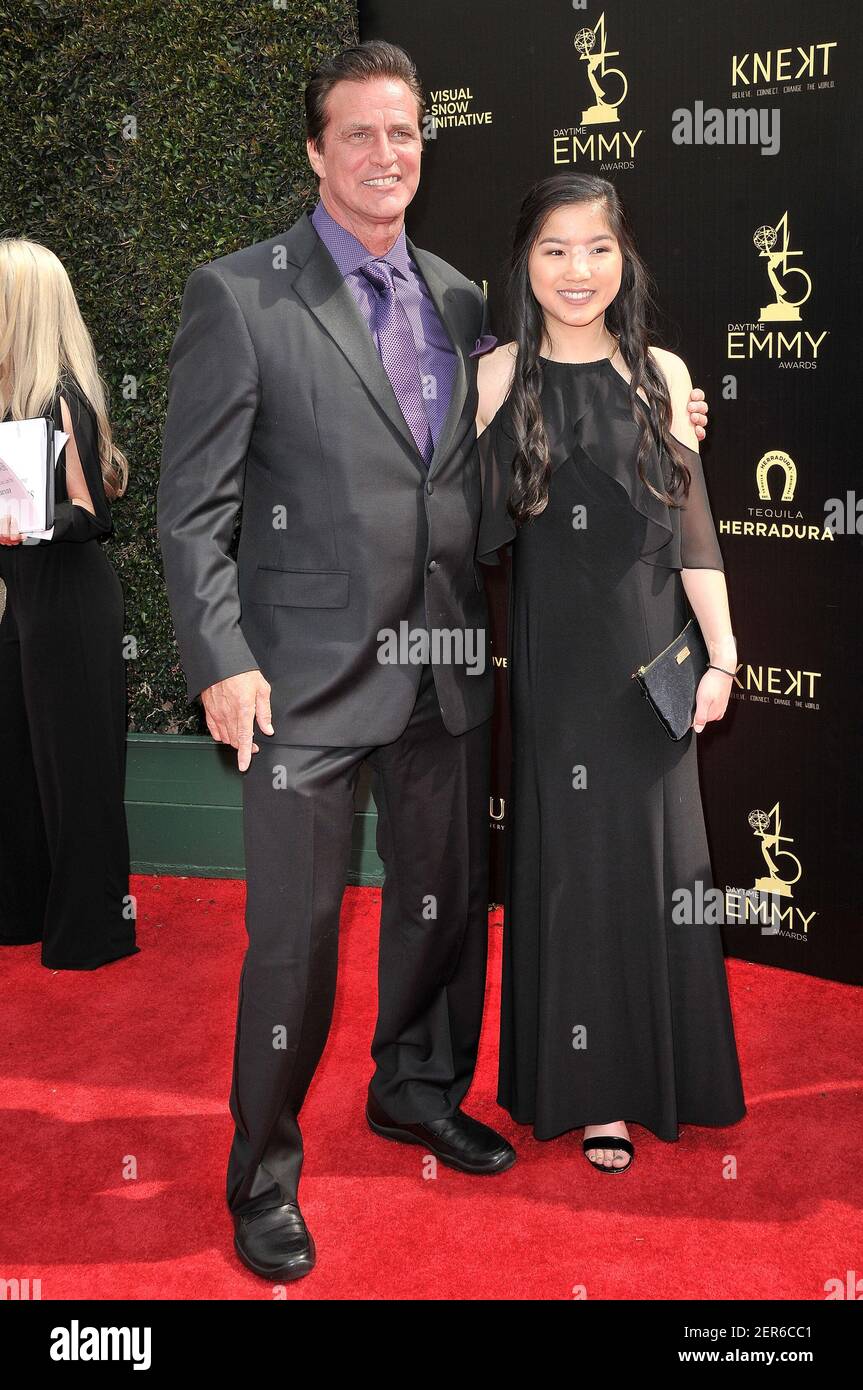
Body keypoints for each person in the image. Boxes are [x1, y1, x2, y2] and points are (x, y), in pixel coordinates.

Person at [158, 44, 710, 1281]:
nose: (384, 156)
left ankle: (412, 1086)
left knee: (440, 909)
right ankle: (261, 1174)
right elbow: (187, 510)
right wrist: (219, 660)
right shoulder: (239, 295)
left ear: (423, 143)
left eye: (402, 133)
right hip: (294, 679)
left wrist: (663, 426)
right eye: (356, 135)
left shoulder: (468, 301)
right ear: (313, 150)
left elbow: (536, 449)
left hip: (449, 662)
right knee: (293, 941)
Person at [476, 174, 745, 1174]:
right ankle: (593, 1098)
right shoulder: (498, 378)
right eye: (552, 248)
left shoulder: (662, 374)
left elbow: (691, 530)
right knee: (577, 877)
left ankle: (663, 1071)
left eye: (594, 247)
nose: (575, 270)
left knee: (659, 870)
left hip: (653, 666)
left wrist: (719, 653)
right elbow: (452, 518)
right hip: (558, 674)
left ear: (621, 258)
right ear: (524, 262)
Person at [0, 238, 136, 970]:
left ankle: (92, 932)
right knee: (15, 767)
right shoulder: (7, 400)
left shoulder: (60, 396)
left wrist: (30, 523)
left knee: (75, 773)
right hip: (18, 606)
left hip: (70, 604)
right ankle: (20, 912)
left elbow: (92, 512)